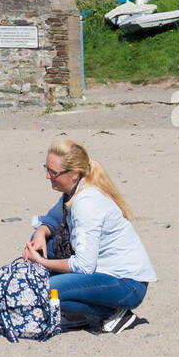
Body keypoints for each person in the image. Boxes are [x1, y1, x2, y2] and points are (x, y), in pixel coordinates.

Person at [24, 139, 157, 335]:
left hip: (127, 283)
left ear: (74, 174)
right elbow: (51, 219)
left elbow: (83, 265)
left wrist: (42, 262)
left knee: (44, 290)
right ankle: (75, 316)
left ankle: (115, 312)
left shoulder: (87, 203)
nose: (47, 176)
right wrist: (41, 233)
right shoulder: (73, 192)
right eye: (47, 168)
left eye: (53, 172)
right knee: (45, 243)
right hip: (103, 271)